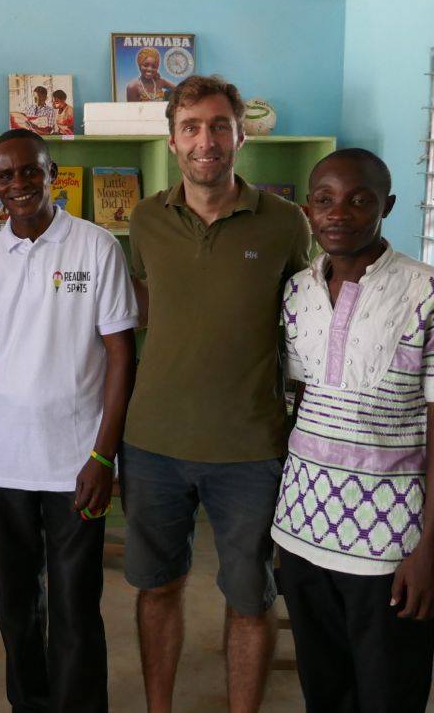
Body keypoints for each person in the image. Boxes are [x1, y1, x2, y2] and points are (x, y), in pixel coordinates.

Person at [122, 74, 310, 713]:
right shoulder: (145, 219)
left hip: (251, 449)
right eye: (192, 128)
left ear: (241, 133)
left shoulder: (287, 224)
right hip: (153, 444)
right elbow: (142, 310)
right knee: (157, 588)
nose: (207, 141)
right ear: (172, 139)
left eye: (219, 126)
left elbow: (305, 330)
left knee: (249, 597)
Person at [272, 149, 434, 712]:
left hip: (389, 547)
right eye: (325, 200)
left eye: (359, 199)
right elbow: (299, 407)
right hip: (302, 535)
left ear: (385, 206)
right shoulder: (296, 293)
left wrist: (430, 550)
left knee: (389, 696)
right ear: (307, 210)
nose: (340, 213)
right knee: (326, 693)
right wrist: (280, 531)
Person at [0, 129, 138, 712]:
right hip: (7, 466)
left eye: (29, 171)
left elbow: (121, 355)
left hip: (76, 465)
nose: (19, 184)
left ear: (51, 172)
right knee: (14, 606)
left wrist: (103, 456)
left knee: (76, 604)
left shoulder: (96, 246)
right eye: (5, 175)